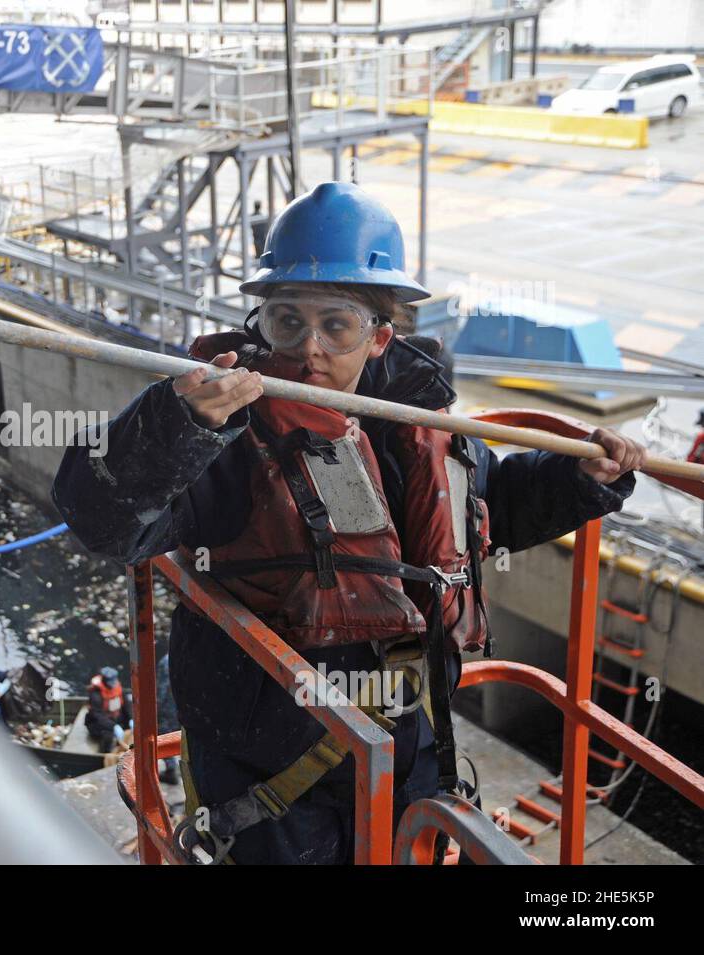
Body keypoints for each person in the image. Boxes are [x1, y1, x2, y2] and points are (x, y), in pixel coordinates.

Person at [51, 181, 647, 864]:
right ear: (259, 325)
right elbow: (102, 520)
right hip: (272, 775)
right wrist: (172, 426)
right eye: (286, 322)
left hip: (411, 741)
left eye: (336, 325)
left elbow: (489, 510)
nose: (309, 349)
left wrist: (582, 480)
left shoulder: (422, 424)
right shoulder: (231, 435)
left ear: (379, 337)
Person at [86, 666, 133, 753]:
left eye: (114, 680)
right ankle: (105, 752)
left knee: (133, 724)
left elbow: (126, 704)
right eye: (111, 681)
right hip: (99, 722)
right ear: (104, 681)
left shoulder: (117, 688)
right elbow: (97, 716)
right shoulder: (96, 695)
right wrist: (113, 726)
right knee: (108, 736)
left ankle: (124, 742)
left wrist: (131, 718)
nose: (113, 683)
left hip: (116, 717)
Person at [156, 651, 182, 785]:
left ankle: (171, 770)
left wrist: (157, 707)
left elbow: (162, 688)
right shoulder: (186, 655)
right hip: (184, 706)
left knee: (164, 735)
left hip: (169, 707)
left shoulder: (166, 661)